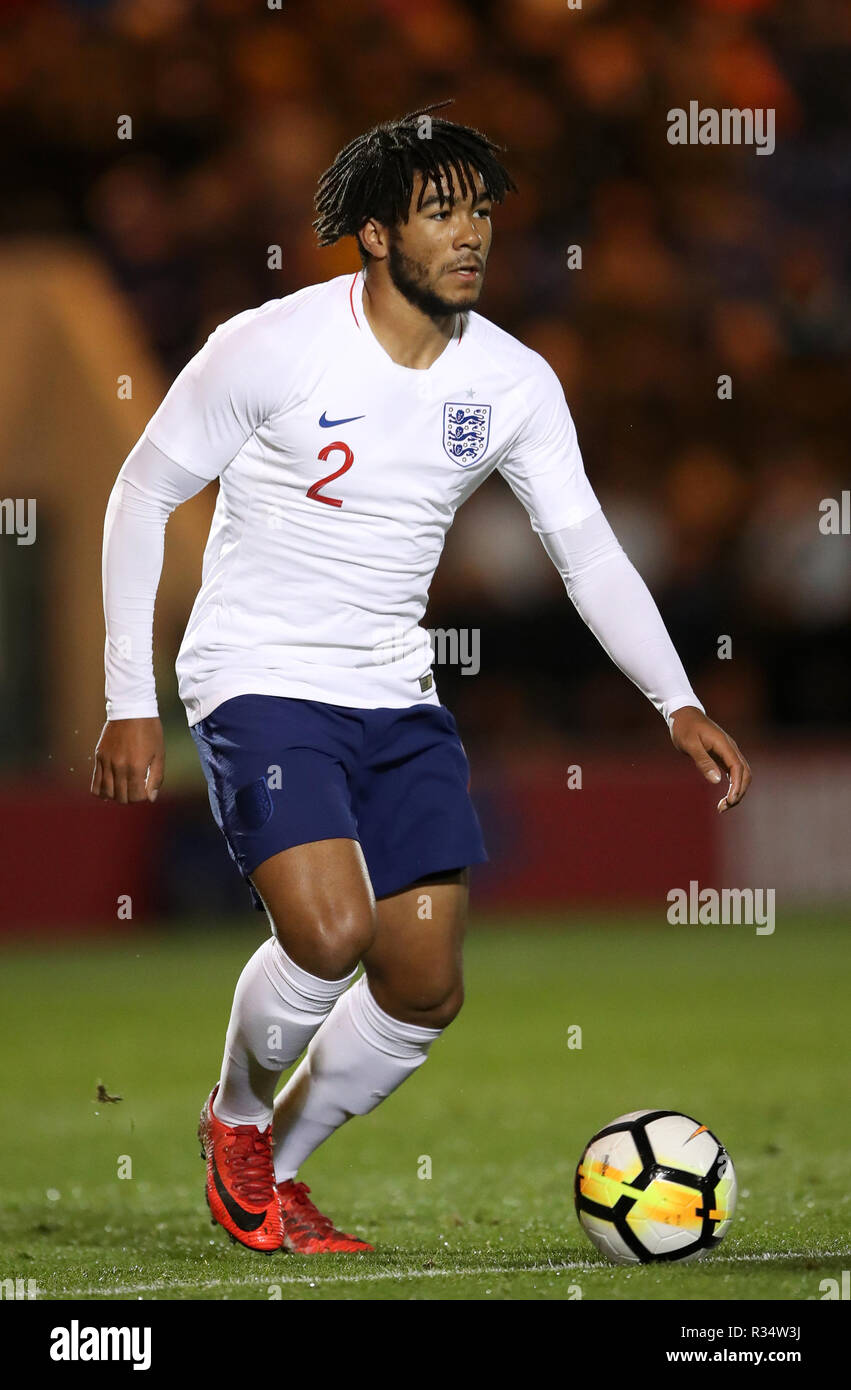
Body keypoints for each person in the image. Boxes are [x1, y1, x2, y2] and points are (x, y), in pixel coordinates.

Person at [92, 103, 751, 1256]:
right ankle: (236, 1120)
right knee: (331, 929)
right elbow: (141, 492)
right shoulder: (272, 345)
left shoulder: (511, 380)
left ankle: (274, 1170)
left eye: (482, 210)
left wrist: (674, 698)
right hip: (258, 673)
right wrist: (126, 698)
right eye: (440, 210)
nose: (470, 234)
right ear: (375, 234)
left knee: (424, 980)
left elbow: (585, 547)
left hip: (394, 692)